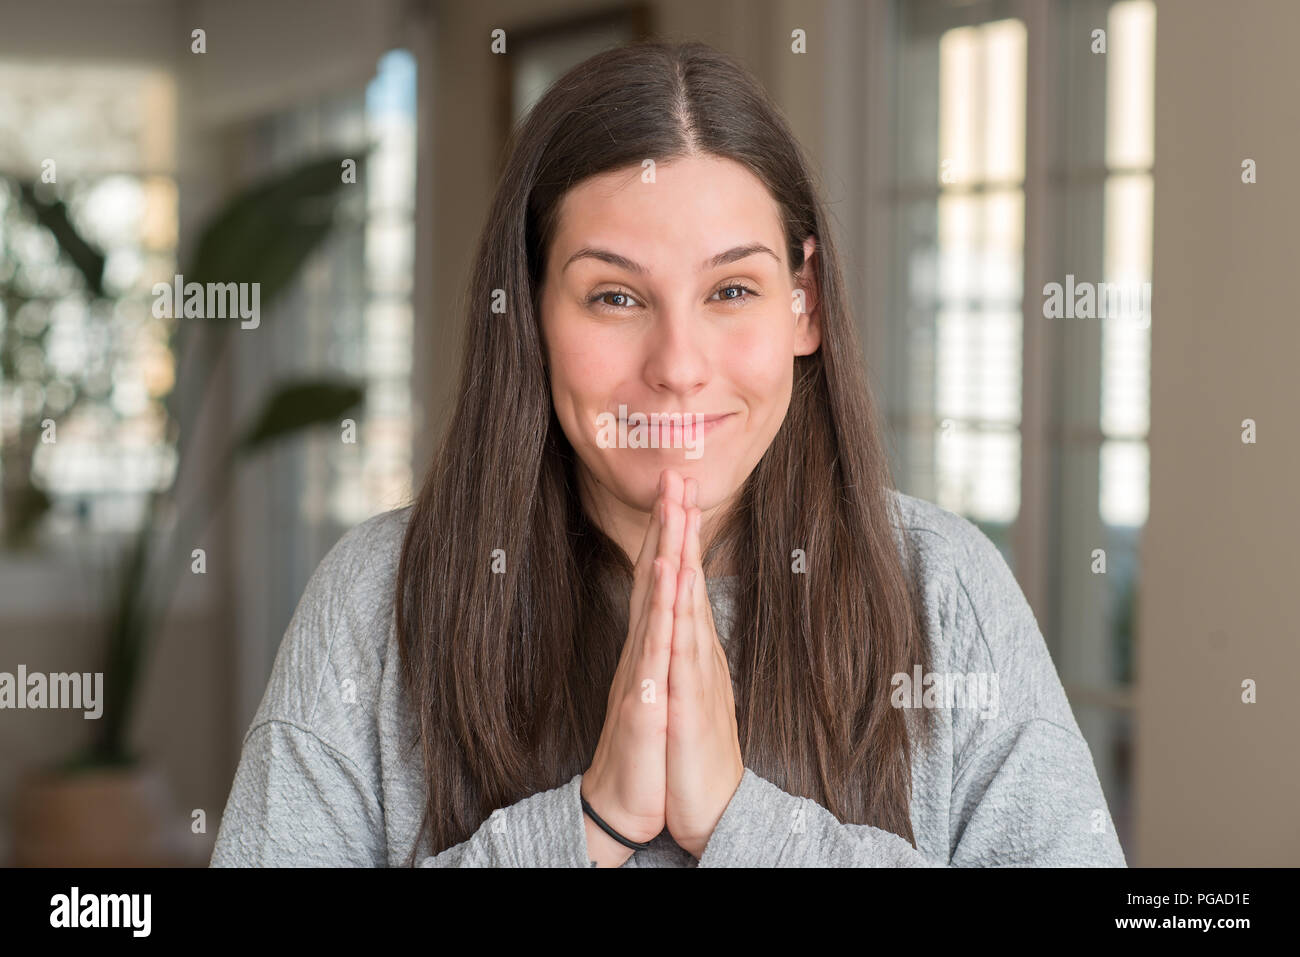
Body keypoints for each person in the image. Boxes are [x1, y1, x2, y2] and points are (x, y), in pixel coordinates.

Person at [210, 39, 1126, 868]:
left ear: (802, 304)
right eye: (614, 297)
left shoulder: (943, 589)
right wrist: (586, 828)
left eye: (732, 289)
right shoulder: (377, 602)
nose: (678, 367)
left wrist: (742, 824)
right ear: (528, 312)